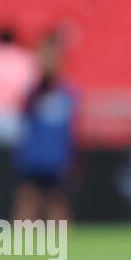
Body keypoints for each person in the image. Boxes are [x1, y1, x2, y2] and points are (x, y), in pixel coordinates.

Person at [11, 31, 77, 224]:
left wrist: (72, 158)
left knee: (57, 203)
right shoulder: (33, 91)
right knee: (28, 201)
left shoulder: (69, 93)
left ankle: (65, 248)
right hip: (34, 157)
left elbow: (71, 130)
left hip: (57, 158)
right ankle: (21, 247)